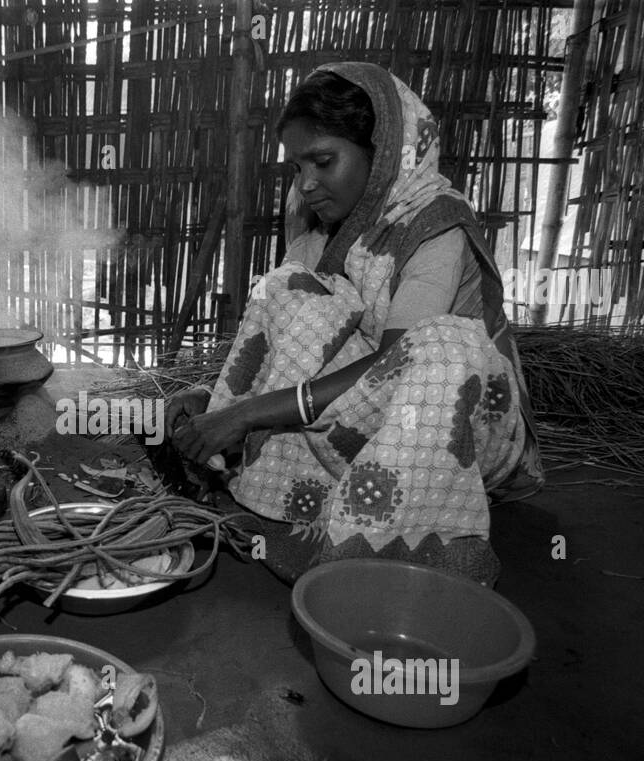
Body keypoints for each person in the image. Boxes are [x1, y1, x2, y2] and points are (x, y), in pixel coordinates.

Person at [166, 62, 543, 586]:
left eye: (322, 161)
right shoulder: (329, 224)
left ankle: (410, 557)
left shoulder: (436, 225)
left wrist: (248, 414)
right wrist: (220, 403)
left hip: (455, 422)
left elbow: (399, 362)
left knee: (441, 342)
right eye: (298, 168)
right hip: (365, 416)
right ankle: (303, 505)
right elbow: (300, 343)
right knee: (288, 290)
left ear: (384, 148)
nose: (308, 184)